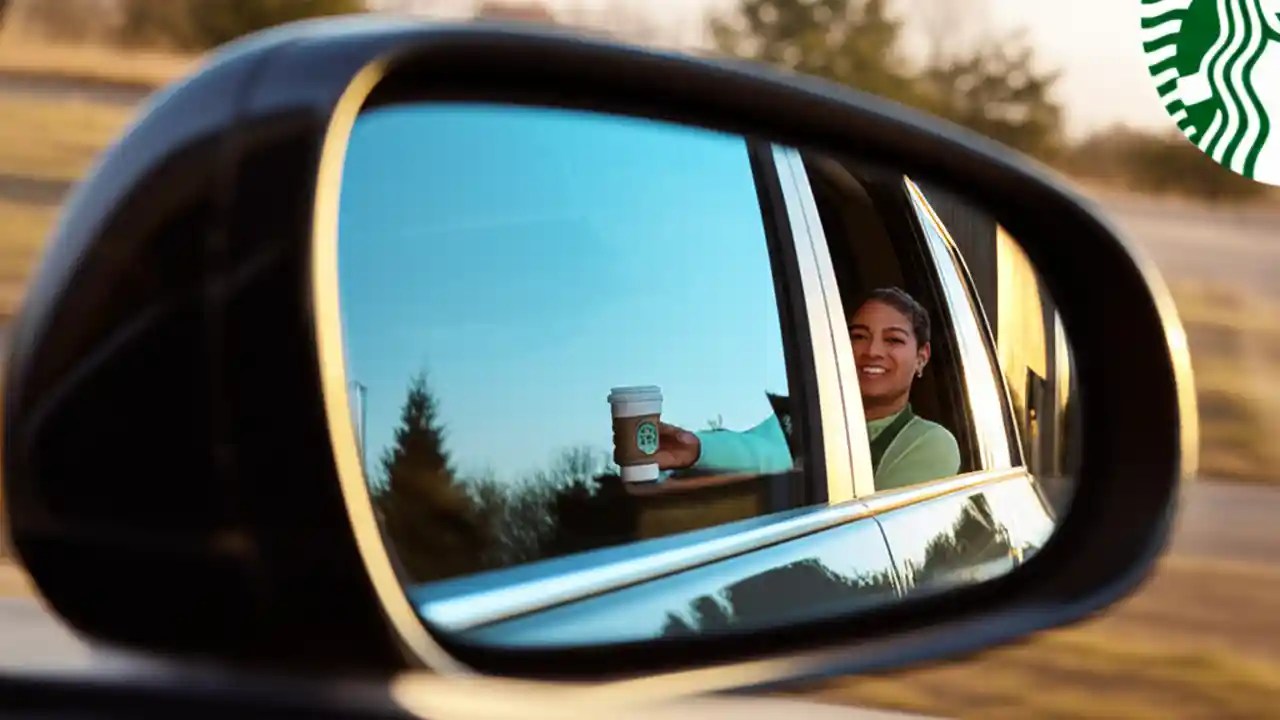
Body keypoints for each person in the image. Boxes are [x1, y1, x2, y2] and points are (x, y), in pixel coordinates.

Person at [650, 287, 960, 492]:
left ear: (922, 357)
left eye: (893, 339)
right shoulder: (807, 416)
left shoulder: (930, 443)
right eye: (858, 336)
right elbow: (759, 450)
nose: (872, 351)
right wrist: (694, 448)